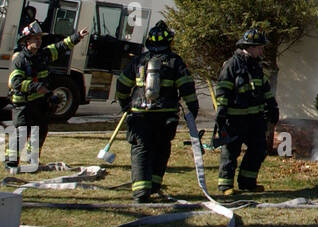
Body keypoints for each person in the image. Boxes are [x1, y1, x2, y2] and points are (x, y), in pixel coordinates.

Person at [115, 20, 198, 203]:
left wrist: (125, 104)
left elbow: (122, 84)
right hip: (165, 115)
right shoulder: (175, 61)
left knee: (141, 149)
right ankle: (153, 186)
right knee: (161, 148)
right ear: (170, 42)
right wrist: (193, 110)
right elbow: (187, 88)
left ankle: (140, 191)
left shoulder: (139, 61)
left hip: (140, 114)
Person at [4, 21, 88, 173]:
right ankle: (11, 162)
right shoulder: (20, 60)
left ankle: (32, 159)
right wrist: (37, 87)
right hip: (23, 104)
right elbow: (16, 83)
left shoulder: (42, 56)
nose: (39, 40)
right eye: (35, 38)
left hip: (39, 102)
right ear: (27, 41)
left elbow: (60, 47)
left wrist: (77, 36)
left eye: (40, 38)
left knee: (40, 131)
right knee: (22, 133)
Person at [213, 28, 279, 195]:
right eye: (260, 48)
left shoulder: (256, 66)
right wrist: (221, 112)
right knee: (231, 152)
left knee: (259, 148)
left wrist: (273, 106)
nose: (262, 51)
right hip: (235, 119)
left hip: (254, 119)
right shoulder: (232, 65)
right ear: (250, 47)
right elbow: (223, 89)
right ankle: (226, 185)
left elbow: (265, 89)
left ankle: (247, 183)